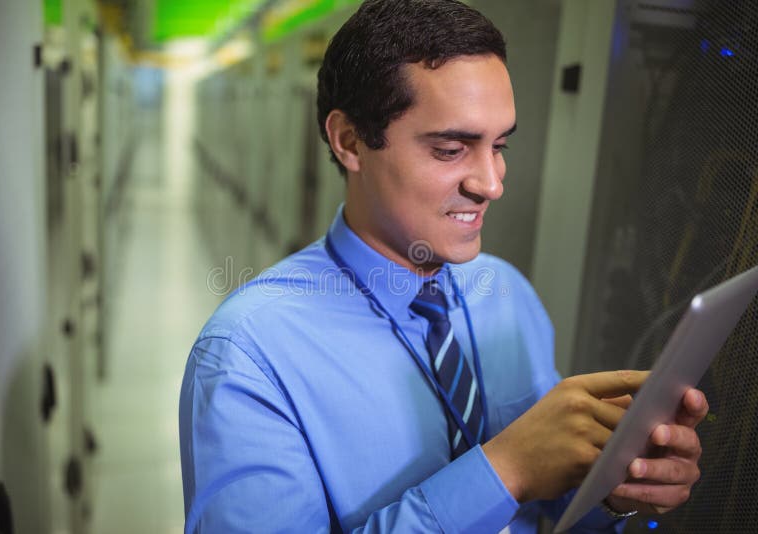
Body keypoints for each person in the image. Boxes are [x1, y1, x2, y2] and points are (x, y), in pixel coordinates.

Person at [179, 1, 708, 532]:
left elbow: (553, 498)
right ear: (350, 141)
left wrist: (620, 485)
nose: (491, 183)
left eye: (499, 146)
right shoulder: (248, 356)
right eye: (452, 149)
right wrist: (505, 469)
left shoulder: (505, 293)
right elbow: (518, 475)